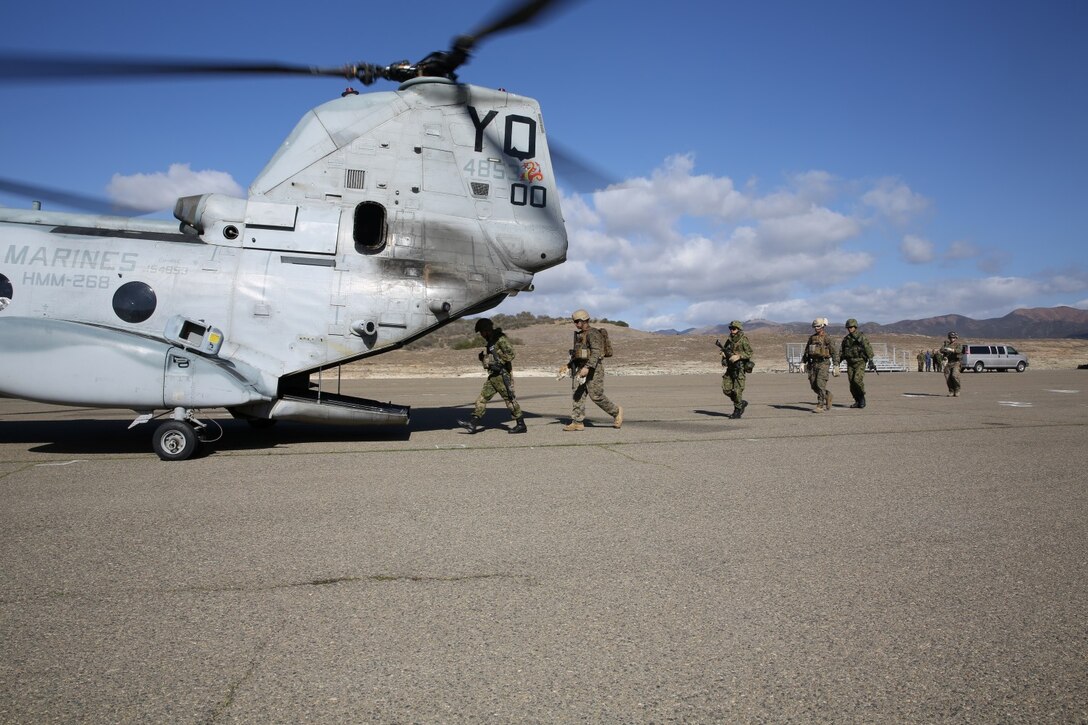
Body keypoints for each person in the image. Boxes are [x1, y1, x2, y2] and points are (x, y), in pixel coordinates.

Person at [458, 318, 526, 434]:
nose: (481, 335)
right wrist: (484, 359)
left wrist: (499, 364)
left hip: (502, 376)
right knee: (481, 399)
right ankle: (473, 423)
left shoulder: (500, 339)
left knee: (509, 400)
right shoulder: (491, 340)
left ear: (486, 330)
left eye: (481, 332)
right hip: (493, 376)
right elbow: (493, 358)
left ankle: (521, 425)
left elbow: (511, 354)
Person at [562, 309, 622, 431]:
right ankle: (577, 422)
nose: (576, 324)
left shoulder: (593, 333)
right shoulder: (580, 335)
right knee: (577, 395)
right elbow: (578, 354)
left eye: (577, 321)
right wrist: (568, 366)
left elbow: (596, 352)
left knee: (596, 396)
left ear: (585, 320)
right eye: (574, 321)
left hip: (594, 369)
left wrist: (587, 367)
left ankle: (616, 412)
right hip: (581, 368)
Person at [801, 318, 839, 412]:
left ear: (822, 326)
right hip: (813, 364)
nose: (816, 328)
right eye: (815, 326)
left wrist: (836, 365)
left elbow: (834, 352)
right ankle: (827, 395)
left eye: (818, 326)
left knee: (820, 384)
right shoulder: (812, 338)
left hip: (824, 363)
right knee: (814, 386)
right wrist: (803, 362)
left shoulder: (828, 338)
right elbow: (807, 352)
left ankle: (820, 405)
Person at [719, 320, 753, 419]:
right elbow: (725, 350)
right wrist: (723, 355)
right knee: (726, 390)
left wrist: (739, 356)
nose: (731, 330)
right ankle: (741, 402)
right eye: (730, 328)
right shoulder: (729, 340)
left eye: (733, 329)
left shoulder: (743, 339)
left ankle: (737, 410)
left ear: (738, 329)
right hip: (730, 368)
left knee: (738, 391)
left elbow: (750, 353)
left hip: (739, 369)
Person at [840, 318, 874, 409]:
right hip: (850, 363)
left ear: (855, 327)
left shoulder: (861, 337)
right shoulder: (846, 339)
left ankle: (862, 398)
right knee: (852, 383)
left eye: (851, 327)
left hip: (860, 362)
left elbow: (868, 348)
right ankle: (857, 400)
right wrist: (837, 362)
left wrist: (871, 360)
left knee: (857, 380)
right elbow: (842, 352)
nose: (849, 329)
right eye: (848, 327)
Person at [941, 331, 963, 397]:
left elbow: (959, 350)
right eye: (950, 338)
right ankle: (951, 390)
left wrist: (952, 350)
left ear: (956, 337)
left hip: (956, 362)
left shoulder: (958, 344)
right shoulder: (946, 344)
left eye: (953, 337)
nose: (952, 339)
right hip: (949, 362)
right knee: (947, 377)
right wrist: (945, 350)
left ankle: (957, 390)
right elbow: (941, 349)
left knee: (954, 375)